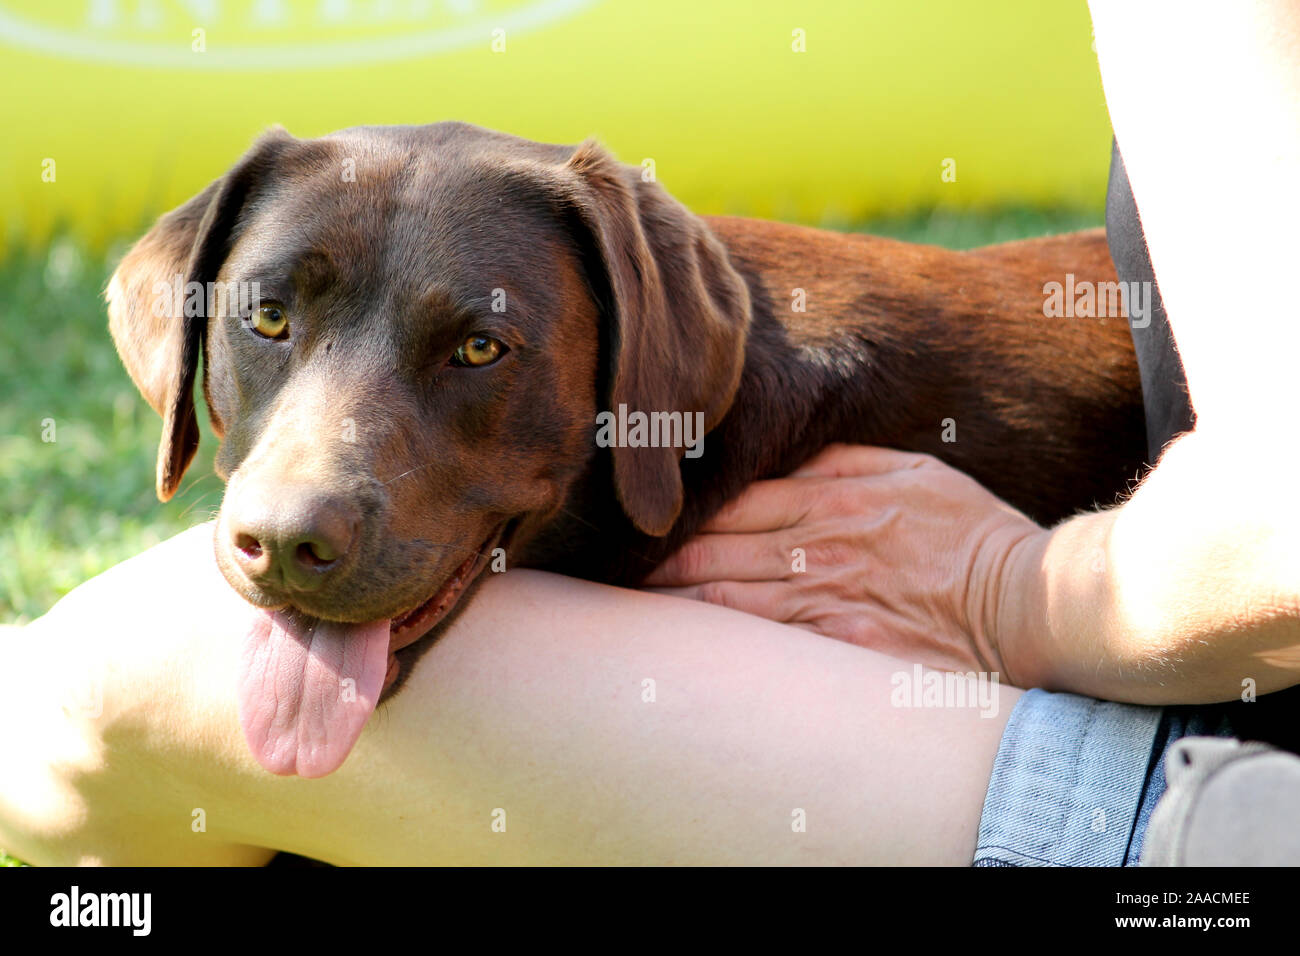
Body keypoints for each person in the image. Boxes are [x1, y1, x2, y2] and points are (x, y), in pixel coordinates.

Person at [2, 0, 1299, 866]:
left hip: (1210, 817)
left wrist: (1013, 591)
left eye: (477, 351)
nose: (296, 504)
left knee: (88, 699)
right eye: (269, 325)